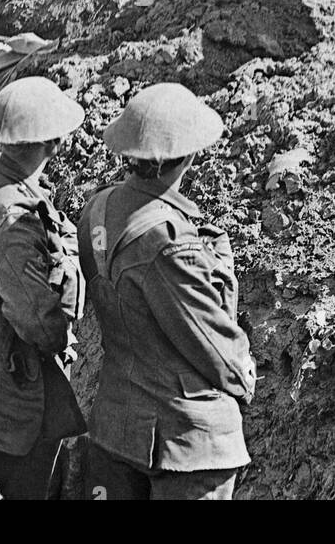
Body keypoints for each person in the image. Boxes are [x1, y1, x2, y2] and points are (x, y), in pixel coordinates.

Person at [77, 83, 255, 500]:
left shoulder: (96, 209)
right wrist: (243, 376)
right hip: (186, 442)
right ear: (189, 156)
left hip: (116, 425)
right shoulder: (169, 239)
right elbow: (214, 344)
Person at [0, 76, 87, 499]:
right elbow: (37, 324)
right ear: (52, 144)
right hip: (14, 382)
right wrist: (62, 330)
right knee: (15, 479)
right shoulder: (16, 220)